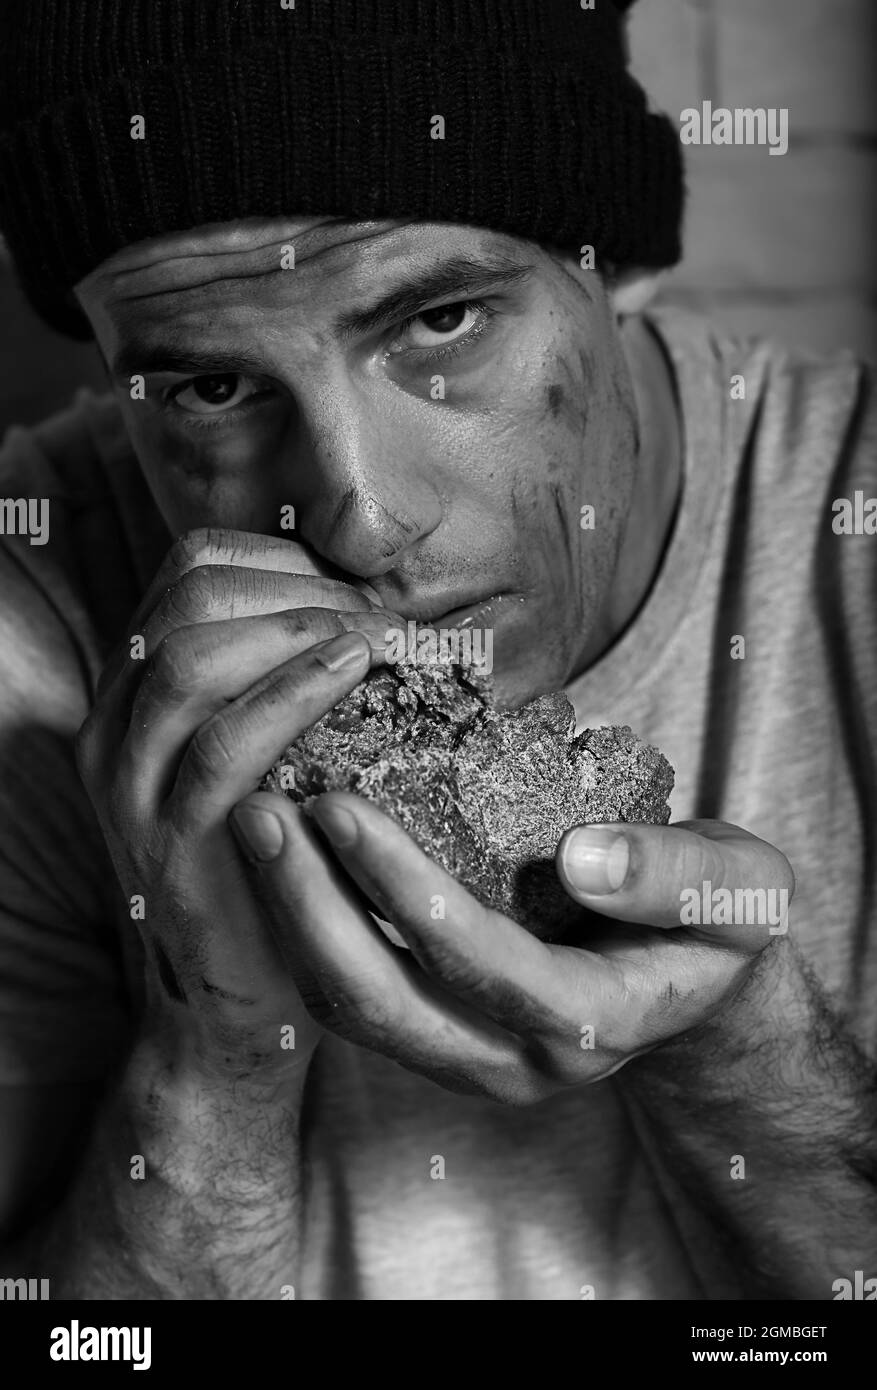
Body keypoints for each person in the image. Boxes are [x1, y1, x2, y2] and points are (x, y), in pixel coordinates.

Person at [0, 0, 874, 1301]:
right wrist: (213, 1053)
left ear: (616, 258)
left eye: (441, 323)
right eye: (213, 389)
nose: (357, 515)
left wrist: (743, 1053)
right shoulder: (34, 629)